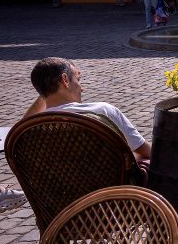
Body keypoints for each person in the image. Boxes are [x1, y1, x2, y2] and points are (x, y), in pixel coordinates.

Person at [22, 58, 152, 164]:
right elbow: (146, 151)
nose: (82, 88)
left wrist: (45, 90)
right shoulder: (102, 111)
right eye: (78, 80)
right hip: (111, 185)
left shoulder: (29, 129)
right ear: (65, 80)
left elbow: (22, 125)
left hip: (57, 187)